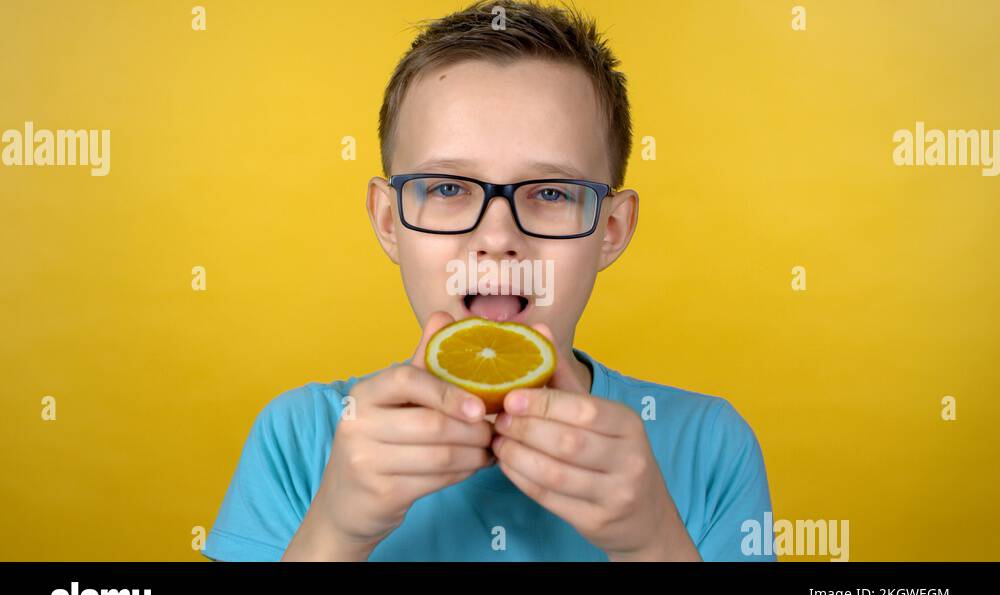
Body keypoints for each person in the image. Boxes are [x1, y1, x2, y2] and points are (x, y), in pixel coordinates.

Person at [203, 0, 775, 562]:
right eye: (448, 188)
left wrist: (653, 543)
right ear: (387, 220)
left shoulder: (710, 445)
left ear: (612, 229)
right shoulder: (298, 439)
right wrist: (333, 533)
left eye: (551, 193)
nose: (498, 236)